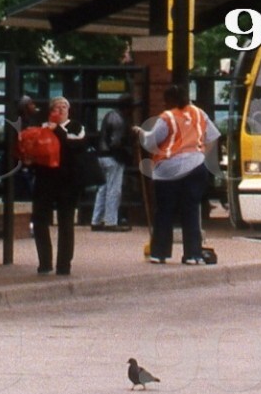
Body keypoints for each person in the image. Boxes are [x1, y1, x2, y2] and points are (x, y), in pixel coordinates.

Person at [136, 84, 219, 265]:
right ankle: (193, 254)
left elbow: (152, 143)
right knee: (191, 210)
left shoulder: (167, 117)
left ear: (169, 100)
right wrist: (200, 155)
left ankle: (159, 253)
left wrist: (141, 133)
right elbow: (212, 137)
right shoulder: (199, 114)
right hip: (196, 166)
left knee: (165, 210)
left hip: (169, 168)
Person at [29, 96, 89, 275]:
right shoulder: (42, 128)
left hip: (67, 182)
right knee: (40, 220)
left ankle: (64, 265)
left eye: (64, 106)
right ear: (51, 110)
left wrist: (58, 131)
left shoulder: (76, 127)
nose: (61, 109)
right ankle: (44, 262)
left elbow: (77, 145)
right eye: (57, 107)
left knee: (66, 222)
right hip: (45, 179)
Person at [91, 95, 133, 231]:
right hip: (113, 157)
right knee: (114, 189)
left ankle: (96, 220)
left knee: (102, 189)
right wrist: (127, 154)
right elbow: (116, 143)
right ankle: (111, 221)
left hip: (101, 155)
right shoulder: (119, 120)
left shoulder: (109, 115)